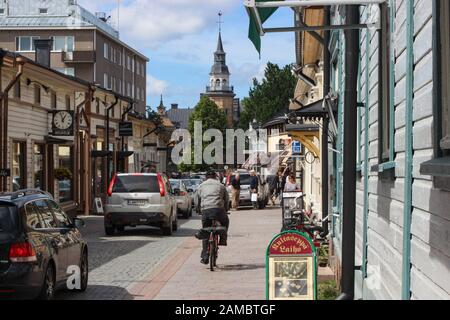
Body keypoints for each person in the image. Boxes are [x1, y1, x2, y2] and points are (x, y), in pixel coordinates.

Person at [194, 171, 230, 265]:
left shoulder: (201, 186)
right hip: (219, 210)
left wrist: (198, 209)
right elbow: (227, 199)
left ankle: (205, 256)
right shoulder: (221, 186)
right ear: (215, 177)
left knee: (206, 232)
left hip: (206, 211)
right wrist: (225, 209)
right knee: (225, 221)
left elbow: (196, 200)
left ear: (206, 177)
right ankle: (223, 238)